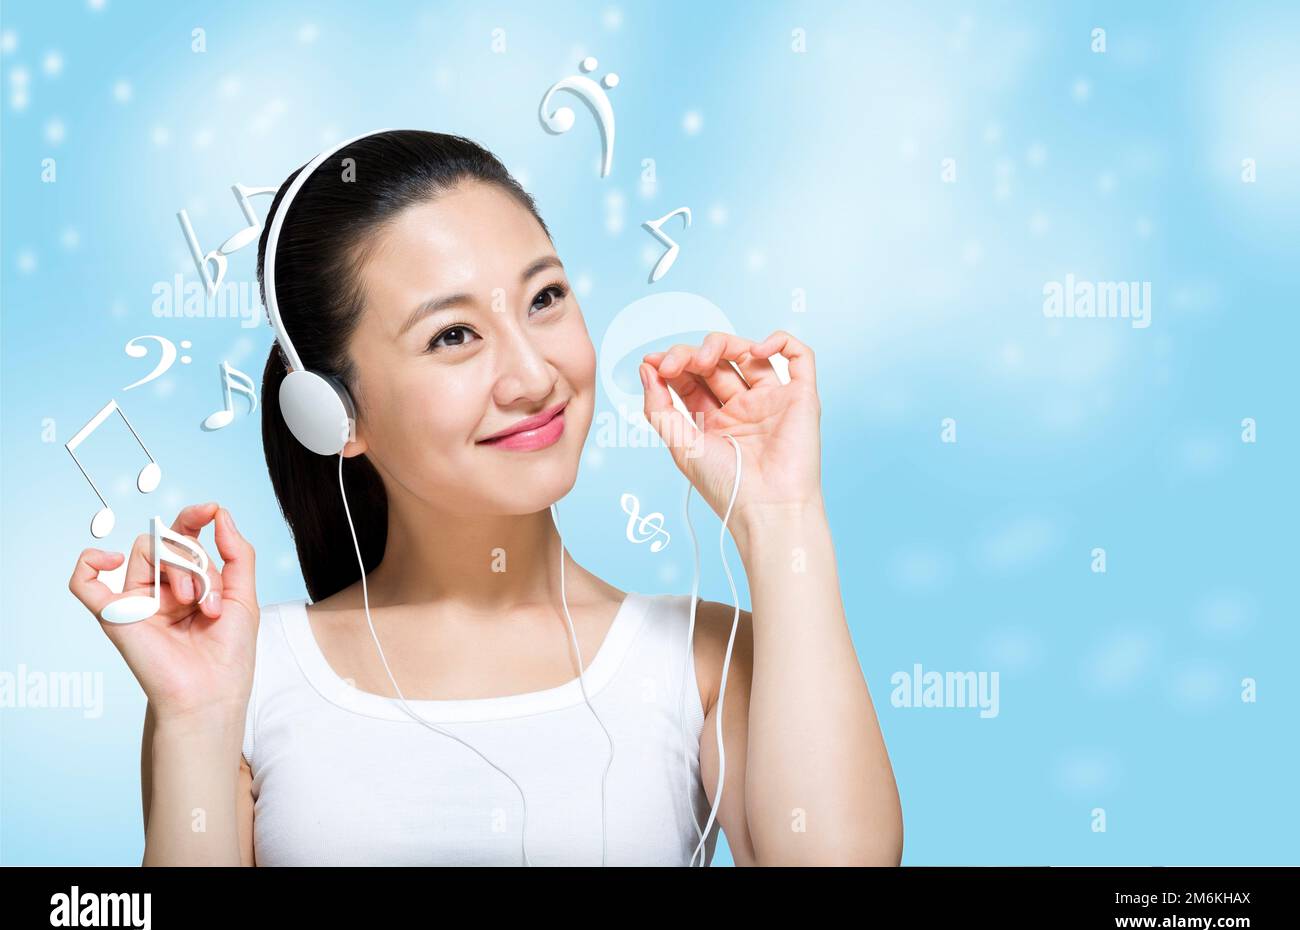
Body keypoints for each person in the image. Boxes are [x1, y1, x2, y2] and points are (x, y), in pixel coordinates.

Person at [68, 130, 902, 866]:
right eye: (453, 335)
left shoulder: (704, 657)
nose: (535, 376)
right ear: (334, 414)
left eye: (544, 298)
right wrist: (196, 719)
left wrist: (780, 515)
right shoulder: (239, 678)